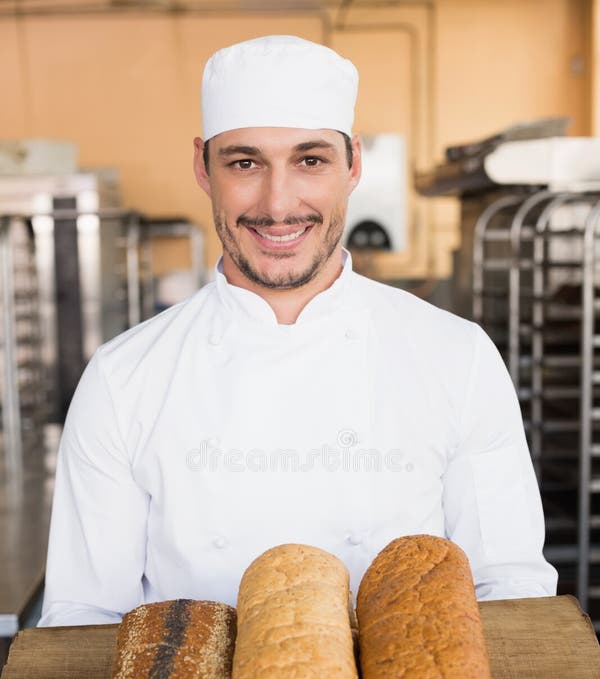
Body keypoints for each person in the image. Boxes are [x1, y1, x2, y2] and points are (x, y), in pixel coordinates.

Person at [38, 35, 557, 627]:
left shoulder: (456, 358)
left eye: (310, 160)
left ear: (353, 165)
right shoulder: (122, 378)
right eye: (244, 162)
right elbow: (84, 619)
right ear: (202, 167)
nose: (278, 203)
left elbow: (511, 591)